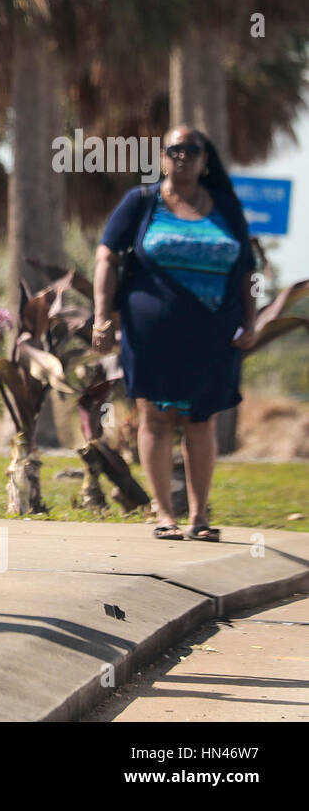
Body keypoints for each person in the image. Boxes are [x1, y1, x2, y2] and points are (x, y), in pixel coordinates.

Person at [93, 125, 257, 543]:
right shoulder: (142, 201)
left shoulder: (224, 206)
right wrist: (101, 317)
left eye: (192, 150)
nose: (182, 156)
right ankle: (164, 513)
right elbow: (107, 257)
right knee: (157, 417)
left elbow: (246, 270)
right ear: (162, 156)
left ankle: (200, 516)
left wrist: (252, 321)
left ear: (206, 159)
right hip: (152, 334)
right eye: (174, 149)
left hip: (214, 334)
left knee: (201, 419)